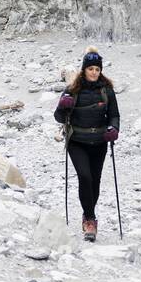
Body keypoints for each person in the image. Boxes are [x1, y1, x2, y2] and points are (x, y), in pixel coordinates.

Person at [54, 48, 120, 241]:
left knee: (95, 180)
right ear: (84, 70)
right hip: (77, 141)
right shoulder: (72, 90)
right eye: (90, 68)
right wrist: (62, 106)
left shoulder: (106, 90)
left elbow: (114, 115)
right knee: (85, 177)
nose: (94, 72)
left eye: (97, 69)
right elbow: (59, 117)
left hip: (99, 142)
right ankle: (90, 220)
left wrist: (113, 128)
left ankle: (87, 212)